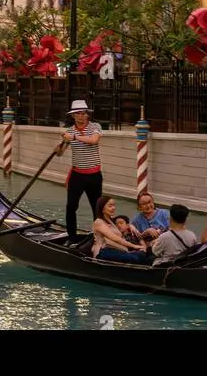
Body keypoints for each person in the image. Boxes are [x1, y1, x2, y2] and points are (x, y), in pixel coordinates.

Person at [57, 99, 104, 240]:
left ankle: (99, 236)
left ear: (87, 114)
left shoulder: (95, 127)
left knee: (97, 208)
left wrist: (73, 137)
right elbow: (59, 153)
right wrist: (62, 142)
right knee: (71, 206)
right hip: (77, 175)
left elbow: (94, 140)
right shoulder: (69, 131)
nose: (81, 116)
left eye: (83, 113)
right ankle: (72, 237)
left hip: (94, 175)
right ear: (73, 116)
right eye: (78, 113)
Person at [91, 195, 149, 263]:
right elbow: (114, 238)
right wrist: (134, 246)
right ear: (102, 208)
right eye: (110, 206)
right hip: (103, 251)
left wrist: (131, 226)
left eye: (114, 205)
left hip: (116, 249)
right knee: (134, 258)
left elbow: (123, 222)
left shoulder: (111, 220)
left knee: (141, 255)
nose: (113, 208)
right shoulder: (99, 222)